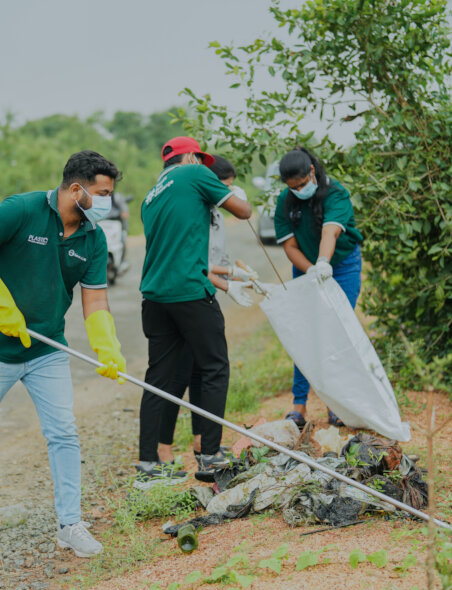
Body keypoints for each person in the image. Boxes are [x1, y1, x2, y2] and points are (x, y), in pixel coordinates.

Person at [0, 150, 126, 559]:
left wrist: (107, 347)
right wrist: (2, 305)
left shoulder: (93, 237)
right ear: (75, 189)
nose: (107, 202)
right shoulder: (21, 209)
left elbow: (96, 301)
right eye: (102, 193)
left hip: (47, 349)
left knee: (64, 433)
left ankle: (70, 524)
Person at [136, 137, 252, 489]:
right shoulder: (193, 174)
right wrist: (234, 194)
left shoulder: (151, 195)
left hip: (155, 296)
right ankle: (210, 454)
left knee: (160, 377)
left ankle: (149, 463)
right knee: (214, 366)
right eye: (200, 159)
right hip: (189, 291)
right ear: (189, 157)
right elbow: (244, 212)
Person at [273, 147, 364, 428]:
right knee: (306, 333)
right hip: (306, 268)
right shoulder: (286, 201)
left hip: (342, 265)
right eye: (293, 187)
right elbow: (289, 245)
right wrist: (311, 269)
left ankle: (336, 404)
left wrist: (324, 262)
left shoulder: (336, 193)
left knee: (334, 331)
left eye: (302, 184)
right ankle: (299, 405)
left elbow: (330, 231)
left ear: (312, 171)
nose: (299, 190)